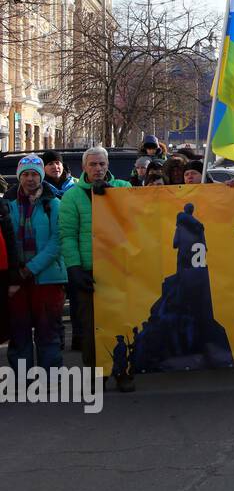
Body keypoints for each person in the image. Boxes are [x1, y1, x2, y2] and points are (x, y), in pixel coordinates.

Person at [59, 147, 131, 363]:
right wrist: (75, 268)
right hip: (88, 271)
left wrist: (113, 198)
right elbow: (68, 235)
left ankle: (122, 372)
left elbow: (136, 221)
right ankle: (95, 374)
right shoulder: (72, 196)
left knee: (121, 323)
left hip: (119, 267)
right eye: (93, 164)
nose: (97, 168)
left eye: (101, 164)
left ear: (108, 165)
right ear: (84, 167)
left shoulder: (124, 188)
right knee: (91, 327)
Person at [6, 155, 66, 372]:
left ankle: (50, 374)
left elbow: (57, 241)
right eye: (26, 174)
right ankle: (22, 376)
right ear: (20, 177)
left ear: (41, 176)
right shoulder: (8, 206)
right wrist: (17, 270)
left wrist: (31, 268)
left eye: (34, 174)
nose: (30, 179)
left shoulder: (54, 204)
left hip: (48, 277)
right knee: (19, 330)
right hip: (17, 279)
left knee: (47, 330)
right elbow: (7, 239)